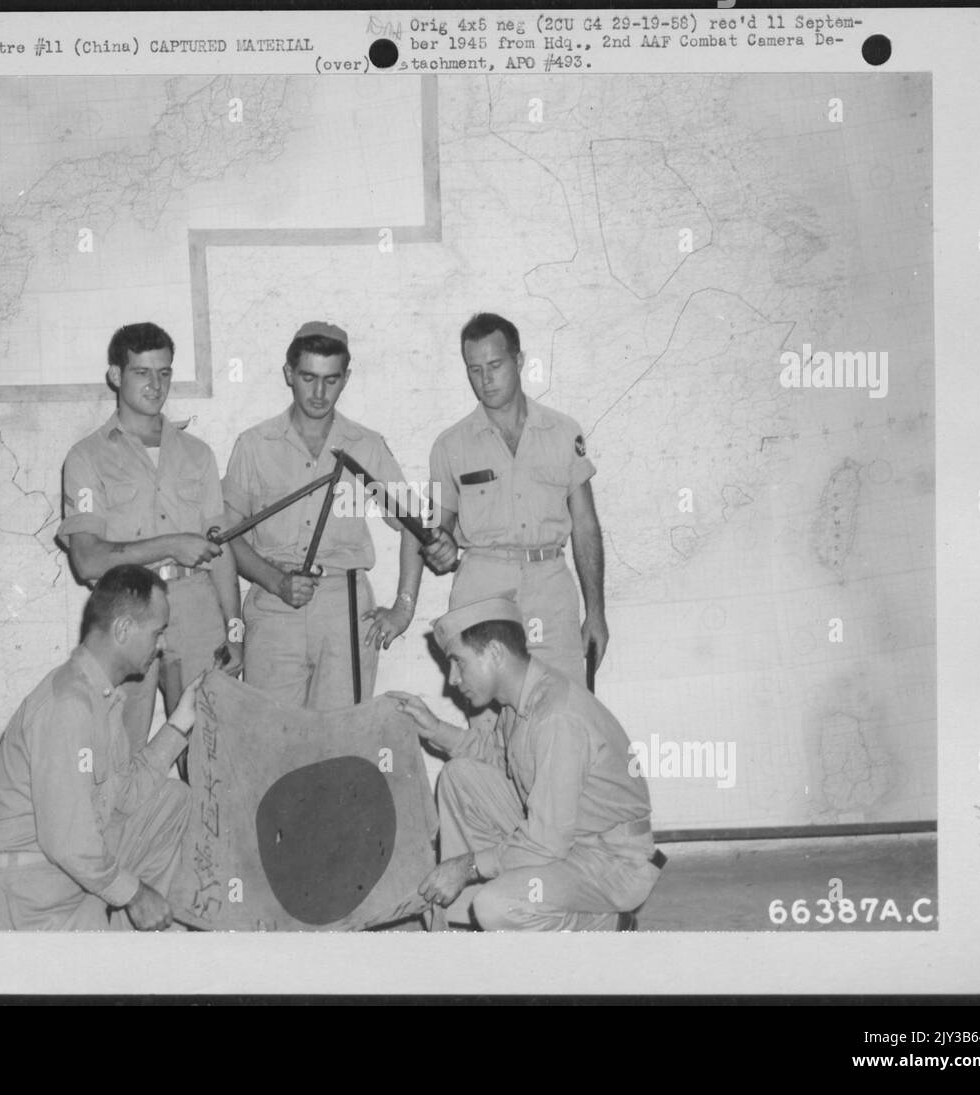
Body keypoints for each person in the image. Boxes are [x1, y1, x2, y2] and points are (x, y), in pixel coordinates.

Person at [389, 592, 665, 931]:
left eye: (458, 662)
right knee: (460, 776)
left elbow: (547, 841)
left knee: (498, 906)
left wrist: (467, 866)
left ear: (494, 653)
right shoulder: (521, 699)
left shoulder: (556, 717)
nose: (453, 679)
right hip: (569, 838)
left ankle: (605, 924)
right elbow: (496, 755)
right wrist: (435, 728)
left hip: (610, 862)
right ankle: (462, 922)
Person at [0, 565, 203, 930]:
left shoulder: (101, 698)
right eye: (158, 632)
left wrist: (180, 723)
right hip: (27, 901)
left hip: (68, 885)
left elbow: (126, 797)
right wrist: (136, 895)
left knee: (173, 799)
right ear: (123, 629)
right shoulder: (68, 704)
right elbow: (67, 842)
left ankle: (134, 949)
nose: (163, 645)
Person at [57, 322, 242, 755]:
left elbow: (221, 550)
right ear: (116, 376)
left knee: (209, 751)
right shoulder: (86, 457)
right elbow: (87, 561)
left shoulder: (197, 453)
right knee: (117, 749)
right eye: (142, 372)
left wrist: (235, 631)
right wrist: (171, 544)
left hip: (197, 606)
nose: (156, 385)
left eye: (164, 373)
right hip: (127, 610)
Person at [221, 320, 425, 708]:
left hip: (344, 606)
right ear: (288, 374)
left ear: (346, 378)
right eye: (308, 377)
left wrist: (404, 608)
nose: (319, 392)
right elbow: (228, 535)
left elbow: (413, 524)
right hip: (273, 605)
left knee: (341, 742)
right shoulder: (254, 445)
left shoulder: (366, 444)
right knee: (274, 738)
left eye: (331, 380)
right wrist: (275, 580)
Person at [422, 312, 609, 685]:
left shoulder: (562, 432)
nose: (485, 380)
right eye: (474, 370)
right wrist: (439, 549)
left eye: (495, 365)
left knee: (562, 709)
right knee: (488, 722)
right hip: (481, 587)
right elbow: (439, 530)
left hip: (550, 586)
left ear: (519, 361)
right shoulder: (449, 446)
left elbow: (585, 526)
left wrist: (597, 612)